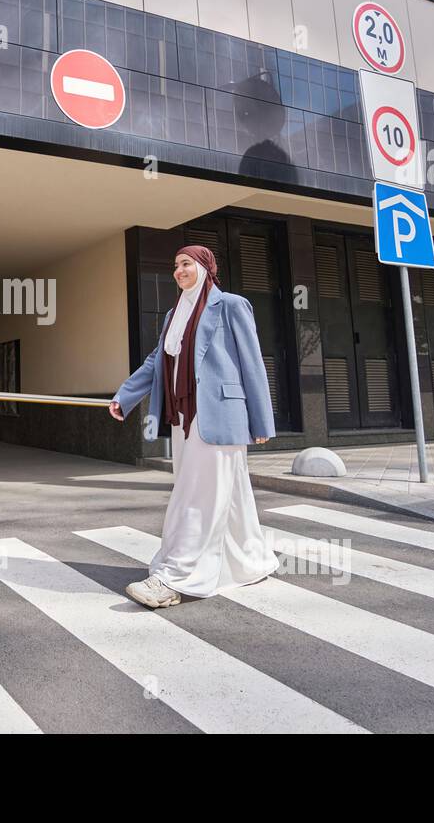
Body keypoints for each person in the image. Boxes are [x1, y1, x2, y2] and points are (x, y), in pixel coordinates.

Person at [108, 244, 281, 609]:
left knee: (196, 496)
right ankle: (252, 561)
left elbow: (252, 363)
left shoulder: (231, 305)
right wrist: (125, 396)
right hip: (184, 416)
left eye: (186, 264)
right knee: (229, 496)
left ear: (205, 267)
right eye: (175, 266)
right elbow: (158, 360)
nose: (178, 271)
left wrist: (261, 420)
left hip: (220, 414)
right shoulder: (175, 313)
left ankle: (174, 578)